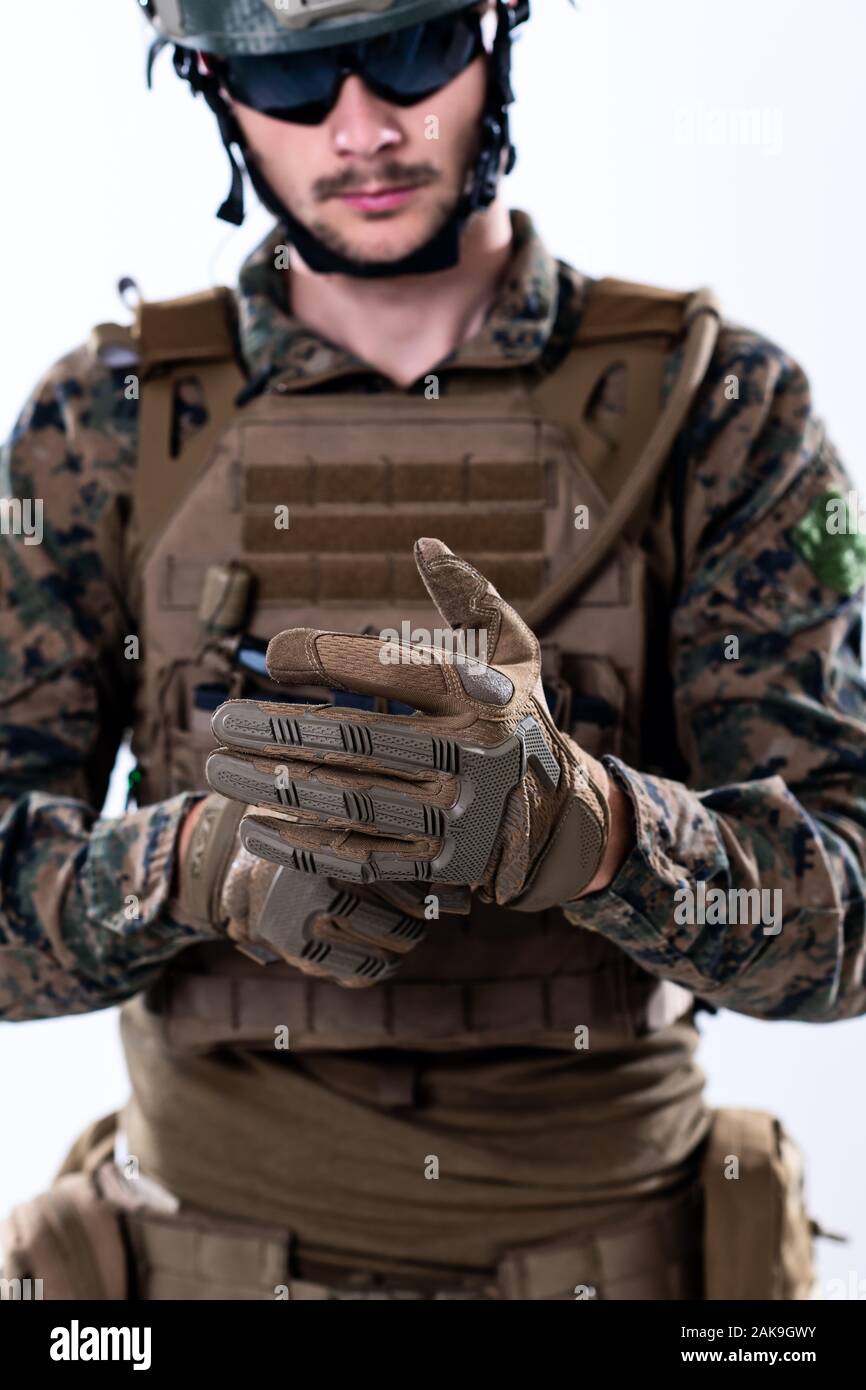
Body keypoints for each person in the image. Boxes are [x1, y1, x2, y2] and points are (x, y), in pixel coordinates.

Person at [1, 0, 864, 1302]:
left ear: (492, 36)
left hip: (621, 1264)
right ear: (211, 85)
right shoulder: (103, 423)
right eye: (292, 79)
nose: (362, 127)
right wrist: (188, 863)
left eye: (408, 52)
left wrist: (588, 832)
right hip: (189, 1268)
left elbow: (850, 914)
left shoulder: (724, 408)